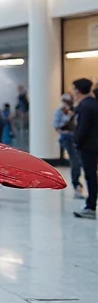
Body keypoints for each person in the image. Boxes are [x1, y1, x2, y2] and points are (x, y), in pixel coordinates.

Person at [72, 78, 98, 219]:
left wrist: (77, 142)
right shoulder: (94, 103)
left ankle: (91, 206)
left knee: (90, 175)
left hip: (88, 146)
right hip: (93, 143)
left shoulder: (85, 106)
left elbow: (82, 127)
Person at [55, 94, 83, 198]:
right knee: (75, 160)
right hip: (67, 138)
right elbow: (57, 126)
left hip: (77, 137)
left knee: (78, 160)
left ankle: (77, 182)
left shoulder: (76, 110)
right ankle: (76, 183)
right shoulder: (60, 112)